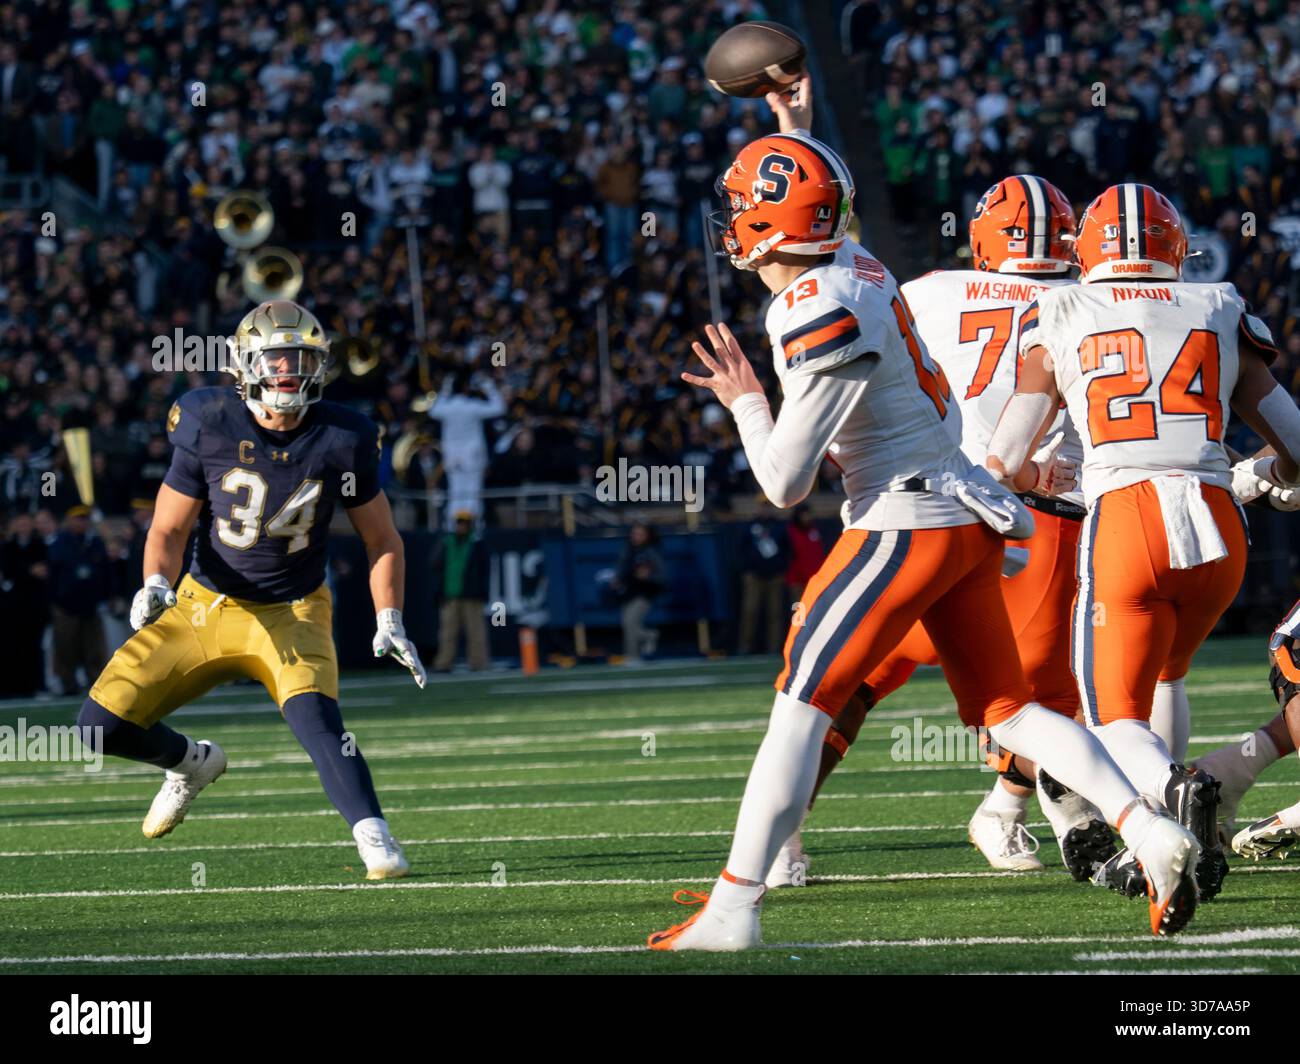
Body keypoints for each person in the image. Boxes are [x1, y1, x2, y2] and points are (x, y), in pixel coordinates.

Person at [648, 88, 1201, 951]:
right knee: (1009, 707)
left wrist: (747, 403)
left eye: (741, 202)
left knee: (804, 700)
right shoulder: (859, 270)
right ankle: (1147, 828)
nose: (731, 216)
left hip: (905, 517)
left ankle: (735, 904)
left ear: (768, 221)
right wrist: (798, 134)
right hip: (969, 510)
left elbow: (786, 482)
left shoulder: (816, 304)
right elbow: (840, 218)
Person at [774, 175, 1110, 886]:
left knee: (843, 679)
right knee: (1037, 697)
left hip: (922, 506)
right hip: (1038, 526)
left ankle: (784, 836)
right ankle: (1018, 809)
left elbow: (850, 322)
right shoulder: (1090, 306)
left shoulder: (928, 289)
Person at [985, 182, 1300, 903]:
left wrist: (1027, 475)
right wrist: (1274, 475)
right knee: (1169, 674)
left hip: (1127, 519)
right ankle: (1178, 812)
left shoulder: (1061, 307)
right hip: (1220, 528)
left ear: (1086, 251)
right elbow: (1297, 446)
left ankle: (1181, 791)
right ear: (1177, 250)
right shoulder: (1219, 306)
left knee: (1111, 716)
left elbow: (1005, 454)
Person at [73, 300, 426, 879]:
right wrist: (155, 581)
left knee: (318, 722)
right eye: (278, 355)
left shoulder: (344, 436)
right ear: (245, 364)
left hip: (294, 609)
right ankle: (190, 763)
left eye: (301, 357)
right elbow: (168, 525)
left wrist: (390, 616)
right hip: (204, 605)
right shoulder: (208, 421)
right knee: (95, 728)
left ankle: (374, 834)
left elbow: (382, 538)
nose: (289, 368)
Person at [428, 371, 506, 528]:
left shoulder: (447, 408)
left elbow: (432, 411)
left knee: (455, 494)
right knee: (473, 494)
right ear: (466, 389)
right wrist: (488, 386)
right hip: (472, 457)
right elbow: (500, 408)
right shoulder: (473, 407)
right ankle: (475, 531)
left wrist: (445, 390)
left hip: (453, 458)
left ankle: (451, 529)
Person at [47, 504, 109, 695]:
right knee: (66, 647)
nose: (83, 522)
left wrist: (107, 595)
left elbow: (106, 571)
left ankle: (97, 685)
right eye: (78, 518)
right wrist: (55, 601)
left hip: (90, 605)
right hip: (66, 605)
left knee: (94, 649)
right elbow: (52, 574)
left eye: (85, 519)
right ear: (69, 520)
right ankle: (68, 684)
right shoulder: (58, 543)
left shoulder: (95, 542)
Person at [432, 509, 491, 672]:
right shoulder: (447, 542)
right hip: (450, 594)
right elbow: (435, 564)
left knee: (476, 632)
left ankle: (478, 662)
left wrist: (482, 591)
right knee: (447, 633)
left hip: (472, 595)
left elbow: (484, 570)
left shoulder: (477, 543)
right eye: (459, 522)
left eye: (464, 523)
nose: (461, 526)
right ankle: (444, 663)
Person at [0, 511, 50, 696]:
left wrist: (25, 572)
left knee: (35, 647)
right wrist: (29, 570)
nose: (23, 528)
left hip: (34, 606)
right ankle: (12, 686)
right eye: (20, 524)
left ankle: (36, 685)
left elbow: (44, 571)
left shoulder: (40, 545)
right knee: (11, 646)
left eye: (26, 524)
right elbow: (9, 570)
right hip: (12, 608)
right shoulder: (7, 547)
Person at [736, 504, 789, 656]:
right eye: (762, 507)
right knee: (749, 611)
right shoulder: (750, 526)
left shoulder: (779, 526)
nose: (765, 510)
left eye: (768, 507)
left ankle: (774, 647)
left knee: (775, 613)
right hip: (753, 576)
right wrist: (748, 568)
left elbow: (787, 549)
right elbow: (741, 548)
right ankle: (744, 647)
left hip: (775, 576)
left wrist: (780, 566)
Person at [613, 522, 664, 664]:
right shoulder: (629, 549)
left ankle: (634, 655)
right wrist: (617, 578)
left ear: (647, 536)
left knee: (630, 622)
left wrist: (648, 576)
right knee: (627, 624)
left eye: (640, 534)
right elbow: (622, 567)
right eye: (634, 533)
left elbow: (660, 574)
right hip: (629, 591)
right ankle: (638, 648)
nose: (636, 537)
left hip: (644, 592)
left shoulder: (651, 551)